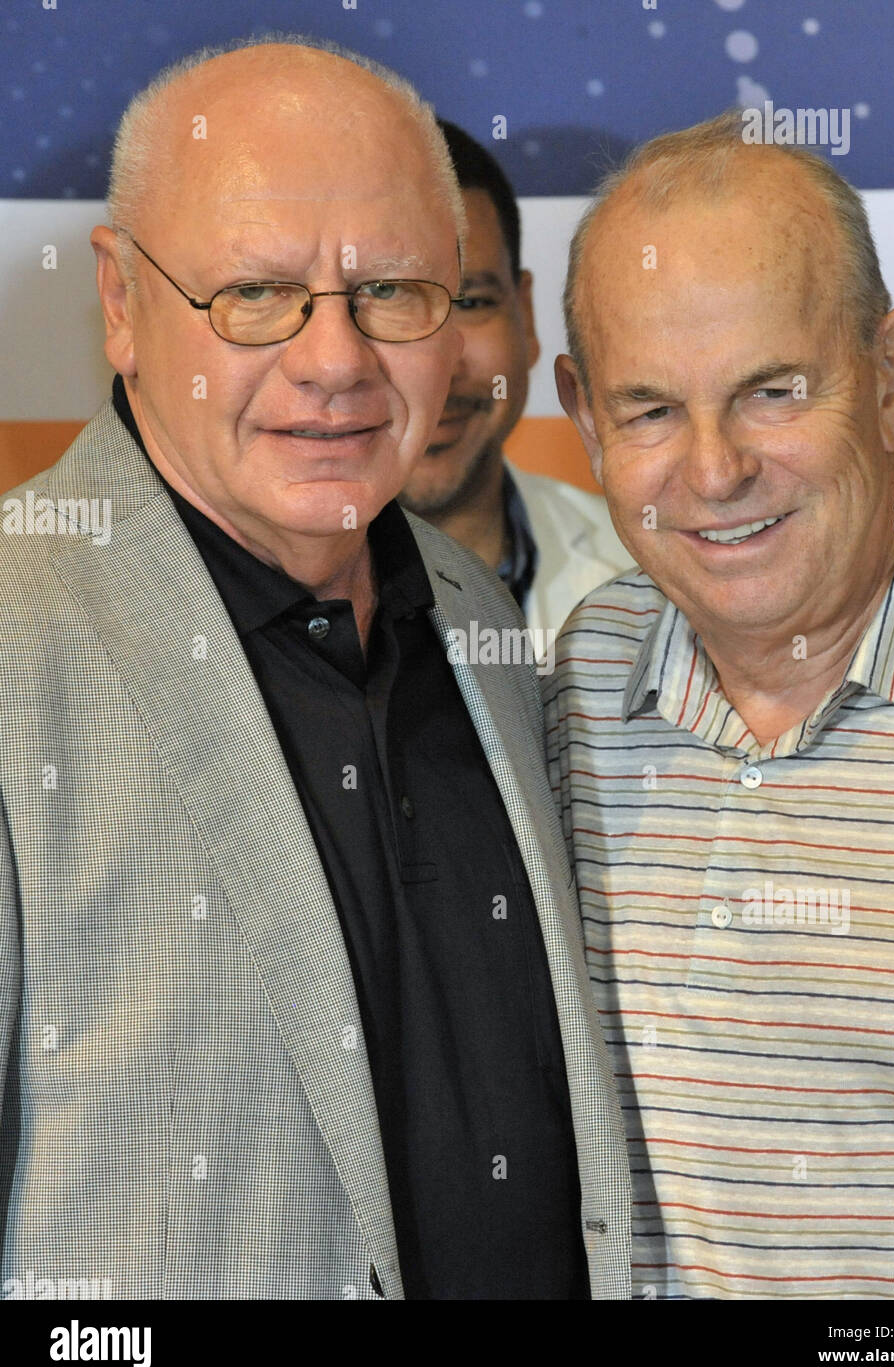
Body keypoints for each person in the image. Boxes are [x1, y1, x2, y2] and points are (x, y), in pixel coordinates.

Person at [0, 36, 631, 1302]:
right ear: (121, 304)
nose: (335, 362)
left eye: (394, 292)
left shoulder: (493, 634)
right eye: (254, 293)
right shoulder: (20, 640)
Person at [546, 111, 894, 1300]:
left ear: (893, 375)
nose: (712, 471)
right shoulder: (578, 684)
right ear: (583, 415)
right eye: (649, 409)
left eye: (770, 391)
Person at [399, 120, 630, 664]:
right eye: (394, 303)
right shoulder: (196, 612)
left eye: (472, 303)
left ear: (524, 314)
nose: (441, 365)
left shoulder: (655, 568)